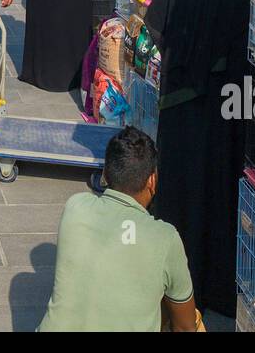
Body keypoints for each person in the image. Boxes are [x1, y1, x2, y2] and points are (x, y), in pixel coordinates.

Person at [146, 0, 255, 319]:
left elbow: (158, 23)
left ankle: (177, 286)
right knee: (222, 195)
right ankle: (221, 286)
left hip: (183, 109)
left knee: (185, 196)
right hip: (231, 111)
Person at [39, 127, 200, 332]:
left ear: (105, 174)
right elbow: (185, 327)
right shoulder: (166, 237)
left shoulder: (75, 207)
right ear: (152, 180)